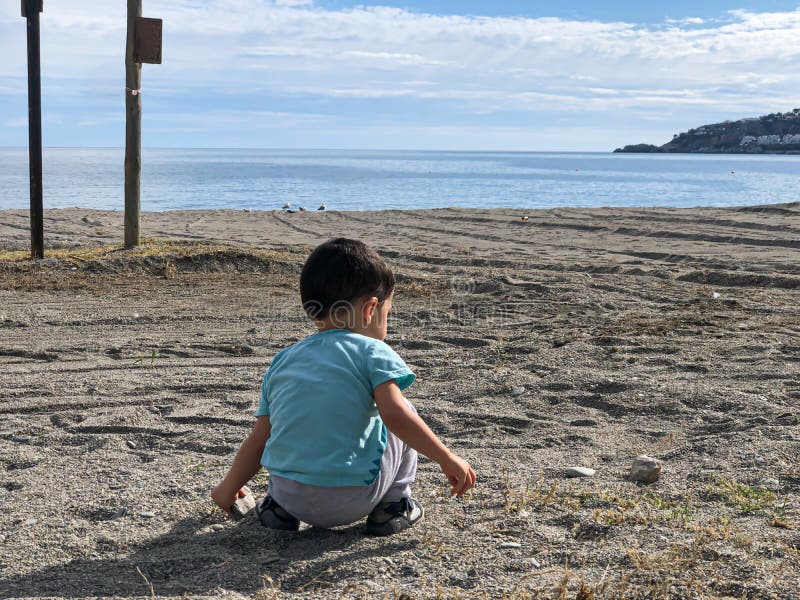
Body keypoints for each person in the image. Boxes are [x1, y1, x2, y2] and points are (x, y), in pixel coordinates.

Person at [211, 238, 476, 535]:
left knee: (292, 417)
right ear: (370, 309)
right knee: (401, 408)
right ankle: (393, 505)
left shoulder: (283, 360)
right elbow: (396, 416)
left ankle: (278, 509)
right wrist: (447, 458)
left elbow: (260, 439)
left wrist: (227, 489)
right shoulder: (373, 352)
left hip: (292, 497)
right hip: (355, 499)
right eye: (386, 314)